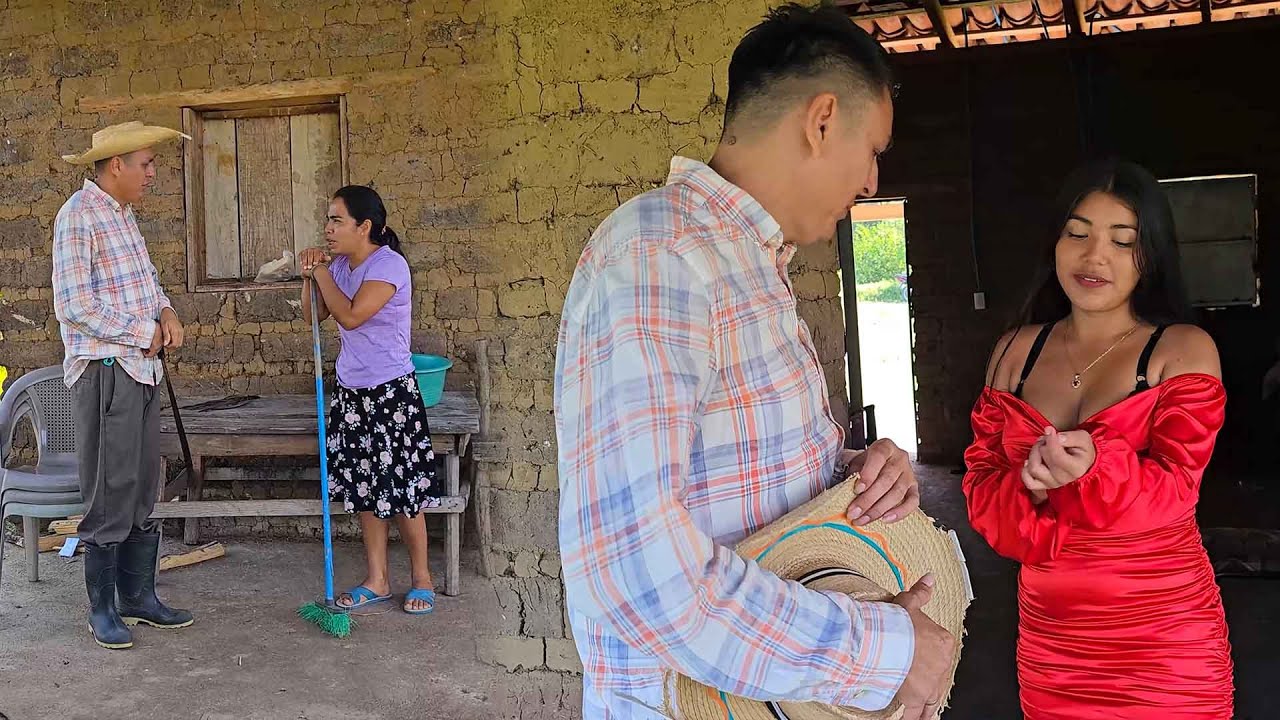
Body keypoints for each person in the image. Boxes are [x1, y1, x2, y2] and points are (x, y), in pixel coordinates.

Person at [553, 5, 954, 720]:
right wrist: (881, 651)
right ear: (822, 120)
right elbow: (640, 573)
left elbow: (733, 472)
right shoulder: (659, 257)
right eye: (874, 150)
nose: (869, 182)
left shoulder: (745, 265)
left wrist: (852, 472)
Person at [963, 158, 1234, 719]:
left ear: (1150, 254)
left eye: (1122, 240)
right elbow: (981, 490)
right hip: (1053, 647)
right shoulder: (1015, 351)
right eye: (1078, 233)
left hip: (1164, 643)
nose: (1094, 257)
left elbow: (1175, 491)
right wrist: (1030, 490)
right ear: (1055, 242)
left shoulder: (1182, 349)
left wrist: (1093, 471)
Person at [53, 121, 194, 650]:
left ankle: (138, 598)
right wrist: (145, 332)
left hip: (138, 368)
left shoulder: (122, 216)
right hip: (107, 370)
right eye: (146, 164)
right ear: (116, 166)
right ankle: (103, 610)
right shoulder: (78, 217)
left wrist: (166, 309)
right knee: (109, 492)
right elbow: (75, 306)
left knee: (138, 486)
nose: (152, 173)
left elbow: (146, 280)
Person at [298, 185, 441, 616]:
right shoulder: (339, 267)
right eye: (327, 220)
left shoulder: (389, 266)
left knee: (403, 492)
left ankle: (422, 579)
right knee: (365, 489)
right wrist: (311, 276)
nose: (327, 229)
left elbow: (353, 315)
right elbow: (313, 317)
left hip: (391, 394)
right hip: (352, 392)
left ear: (365, 227)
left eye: (337, 220)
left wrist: (322, 274)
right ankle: (377, 579)